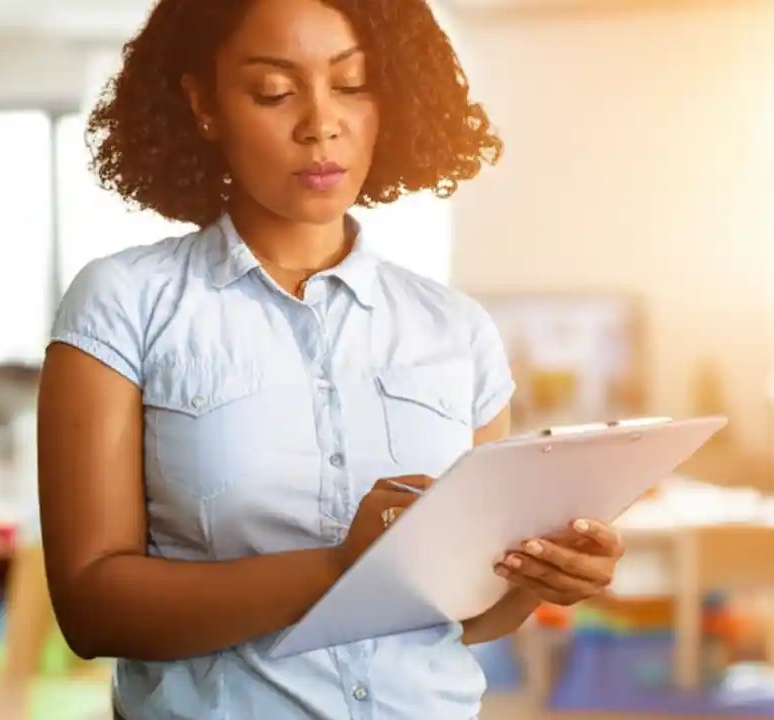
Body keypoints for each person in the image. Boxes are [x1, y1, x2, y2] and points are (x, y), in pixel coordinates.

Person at [37, 0, 627, 717]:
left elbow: (469, 618)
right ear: (205, 104)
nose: (321, 123)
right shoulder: (124, 302)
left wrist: (541, 576)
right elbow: (92, 609)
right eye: (274, 92)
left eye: (352, 84)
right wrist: (341, 567)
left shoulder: (457, 331)